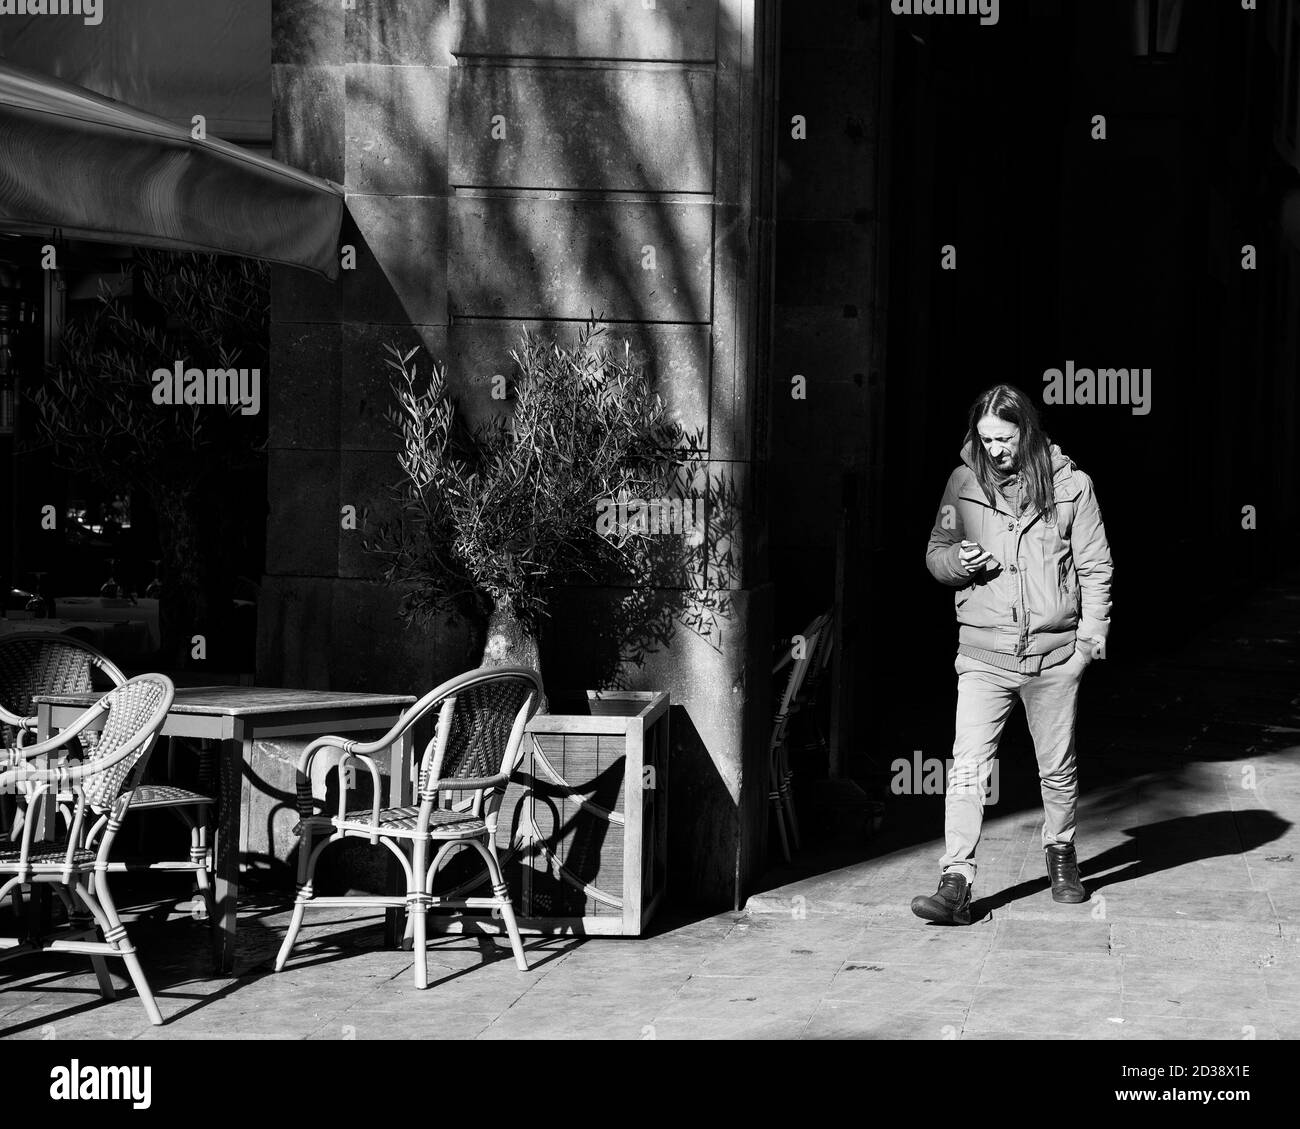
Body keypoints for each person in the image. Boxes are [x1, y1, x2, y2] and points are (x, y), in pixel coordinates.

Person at [912, 384, 1113, 925]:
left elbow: (1096, 567)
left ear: (1026, 430)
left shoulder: (1072, 487)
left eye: (1003, 438)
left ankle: (1062, 853)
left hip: (1054, 656)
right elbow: (935, 554)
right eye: (985, 439)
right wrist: (960, 561)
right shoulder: (963, 483)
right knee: (967, 770)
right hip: (983, 654)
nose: (995, 449)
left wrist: (1087, 645)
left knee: (1057, 769)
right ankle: (956, 880)